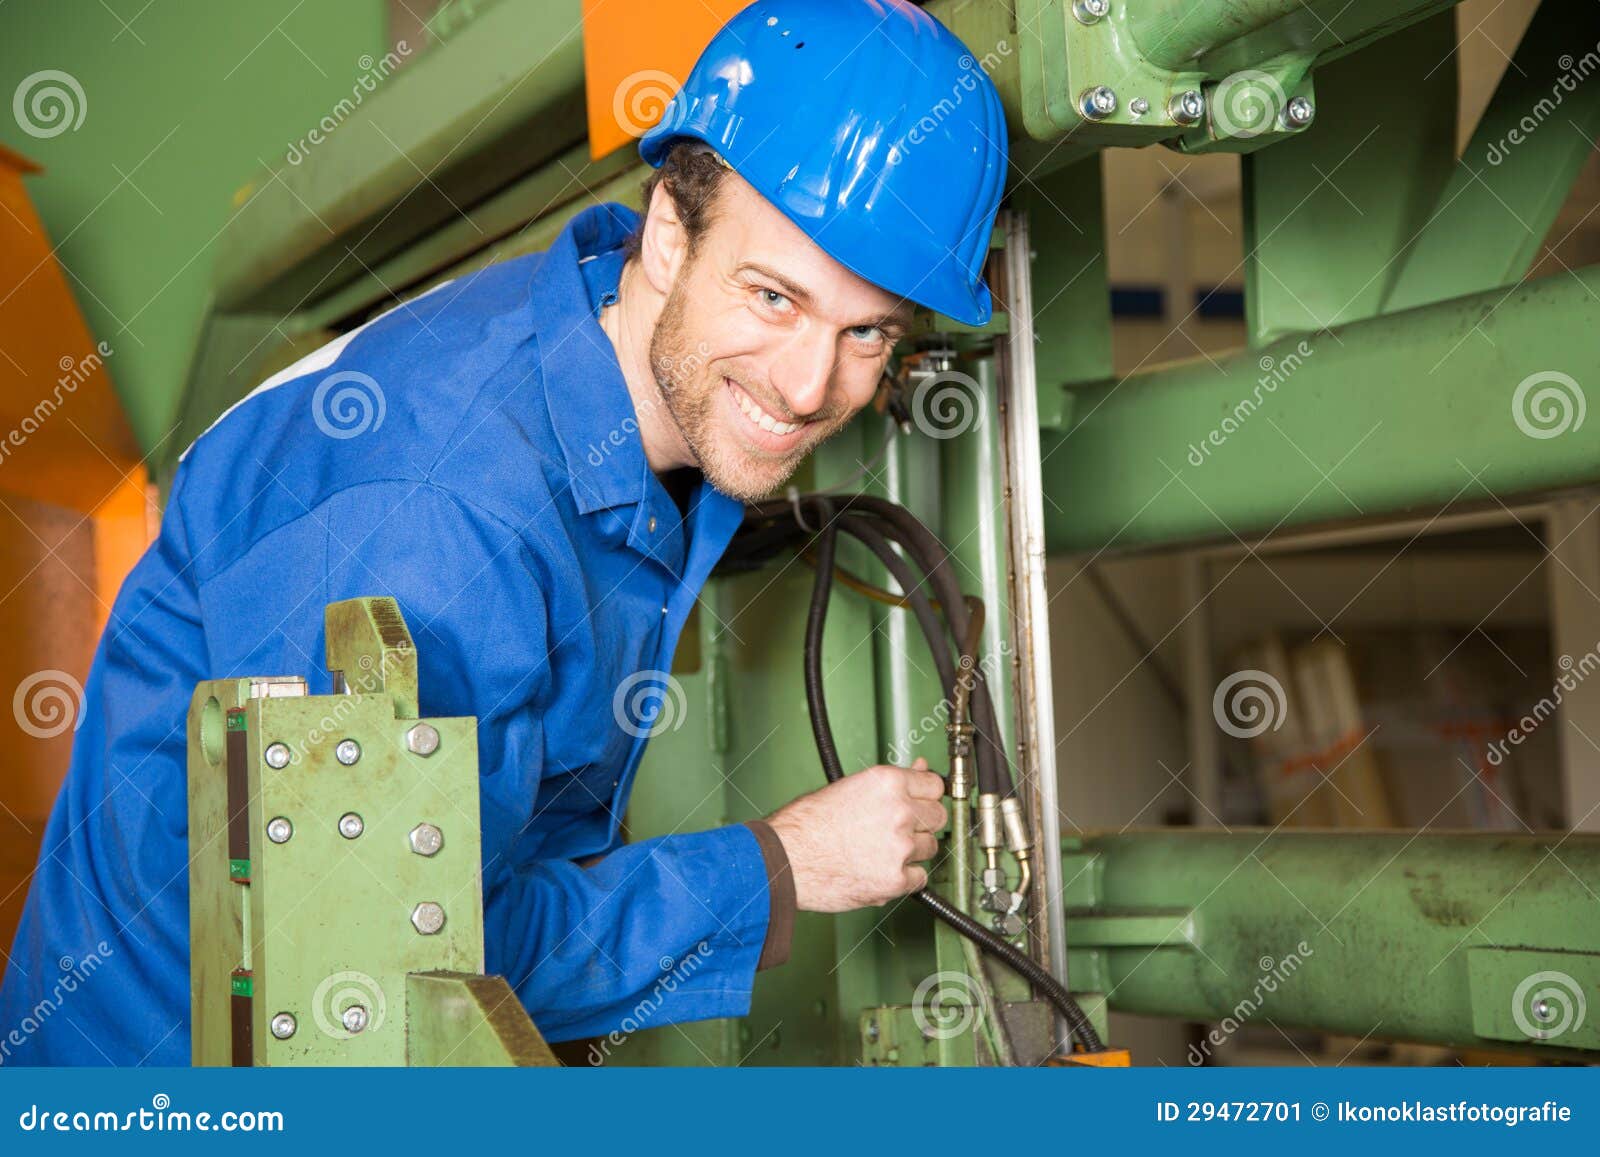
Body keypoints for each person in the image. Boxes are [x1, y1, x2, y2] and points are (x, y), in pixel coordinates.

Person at [0, 0, 1007, 1063]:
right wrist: (781, 863)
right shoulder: (437, 517)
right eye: (772, 297)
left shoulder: (599, 365)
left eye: (866, 334)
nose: (809, 387)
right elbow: (381, 967)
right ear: (669, 230)